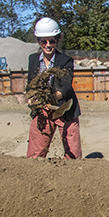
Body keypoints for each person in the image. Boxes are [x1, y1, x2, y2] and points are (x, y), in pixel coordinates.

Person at [26, 17, 82, 160]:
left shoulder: (65, 61)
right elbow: (31, 85)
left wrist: (54, 97)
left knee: (72, 155)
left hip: (64, 109)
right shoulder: (33, 59)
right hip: (43, 110)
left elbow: (66, 87)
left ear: (57, 40)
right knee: (35, 154)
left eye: (52, 41)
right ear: (38, 41)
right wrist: (31, 98)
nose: (48, 44)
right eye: (44, 41)